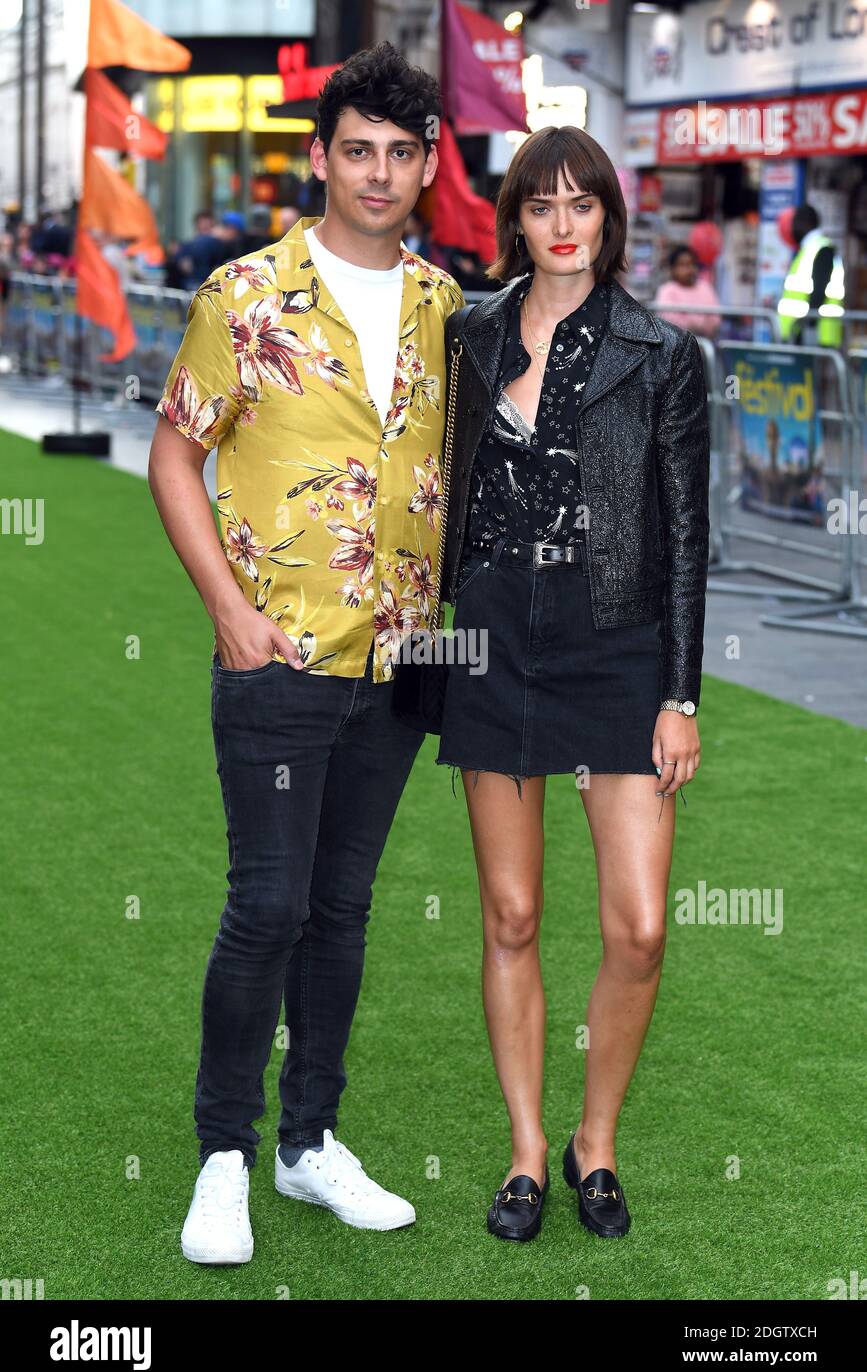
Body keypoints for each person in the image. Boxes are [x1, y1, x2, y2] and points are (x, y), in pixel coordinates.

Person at [147, 40, 464, 1264]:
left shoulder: (447, 307)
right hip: (277, 652)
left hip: (398, 661)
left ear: (427, 167)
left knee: (341, 911)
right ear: (321, 158)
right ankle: (224, 1154)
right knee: (267, 906)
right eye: (357, 152)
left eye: (400, 154)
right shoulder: (244, 294)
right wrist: (228, 609)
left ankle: (308, 1142)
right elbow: (177, 452)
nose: (378, 174)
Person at [435, 125, 710, 1241]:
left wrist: (680, 695)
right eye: (540, 204)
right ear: (516, 219)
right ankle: (529, 1155)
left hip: (619, 643)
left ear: (607, 217)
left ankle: (599, 1142)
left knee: (638, 926)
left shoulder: (659, 352)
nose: (561, 223)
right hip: (494, 635)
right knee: (511, 911)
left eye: (580, 204)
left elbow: (688, 532)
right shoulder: (469, 333)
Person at [777, 204, 845, 347]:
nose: (792, 229)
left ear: (804, 223)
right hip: (800, 334)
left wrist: (805, 326)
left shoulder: (822, 249)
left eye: (794, 223)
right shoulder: (809, 249)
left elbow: (819, 292)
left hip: (814, 336)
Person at [655, 243, 721, 337]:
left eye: (692, 264)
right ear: (673, 269)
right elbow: (670, 321)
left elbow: (715, 320)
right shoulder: (667, 290)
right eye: (683, 265)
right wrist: (697, 327)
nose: (689, 269)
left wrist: (695, 328)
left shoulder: (705, 288)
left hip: (705, 343)